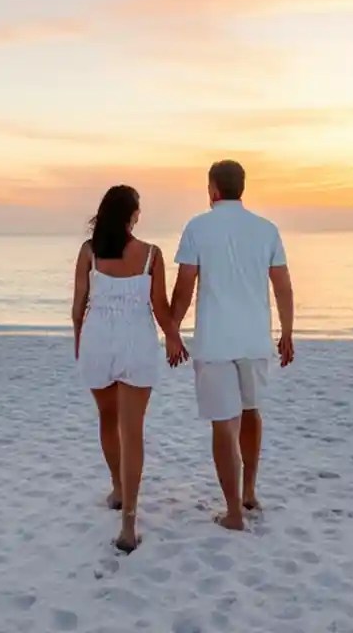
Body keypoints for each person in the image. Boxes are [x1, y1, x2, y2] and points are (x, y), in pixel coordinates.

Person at [171, 160, 295, 532]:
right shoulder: (266, 229)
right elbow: (283, 286)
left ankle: (233, 513)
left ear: (213, 189)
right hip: (255, 338)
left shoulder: (197, 227)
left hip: (215, 341)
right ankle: (249, 492)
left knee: (224, 425)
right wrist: (287, 332)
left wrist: (172, 329)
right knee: (251, 412)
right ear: (242, 187)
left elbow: (184, 288)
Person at [72, 184, 188, 553]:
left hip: (98, 340)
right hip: (136, 341)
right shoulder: (151, 255)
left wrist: (80, 339)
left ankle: (118, 490)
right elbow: (160, 308)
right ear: (132, 215)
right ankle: (129, 523)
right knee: (132, 430)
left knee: (107, 419)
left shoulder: (89, 253)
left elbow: (78, 305)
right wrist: (173, 336)